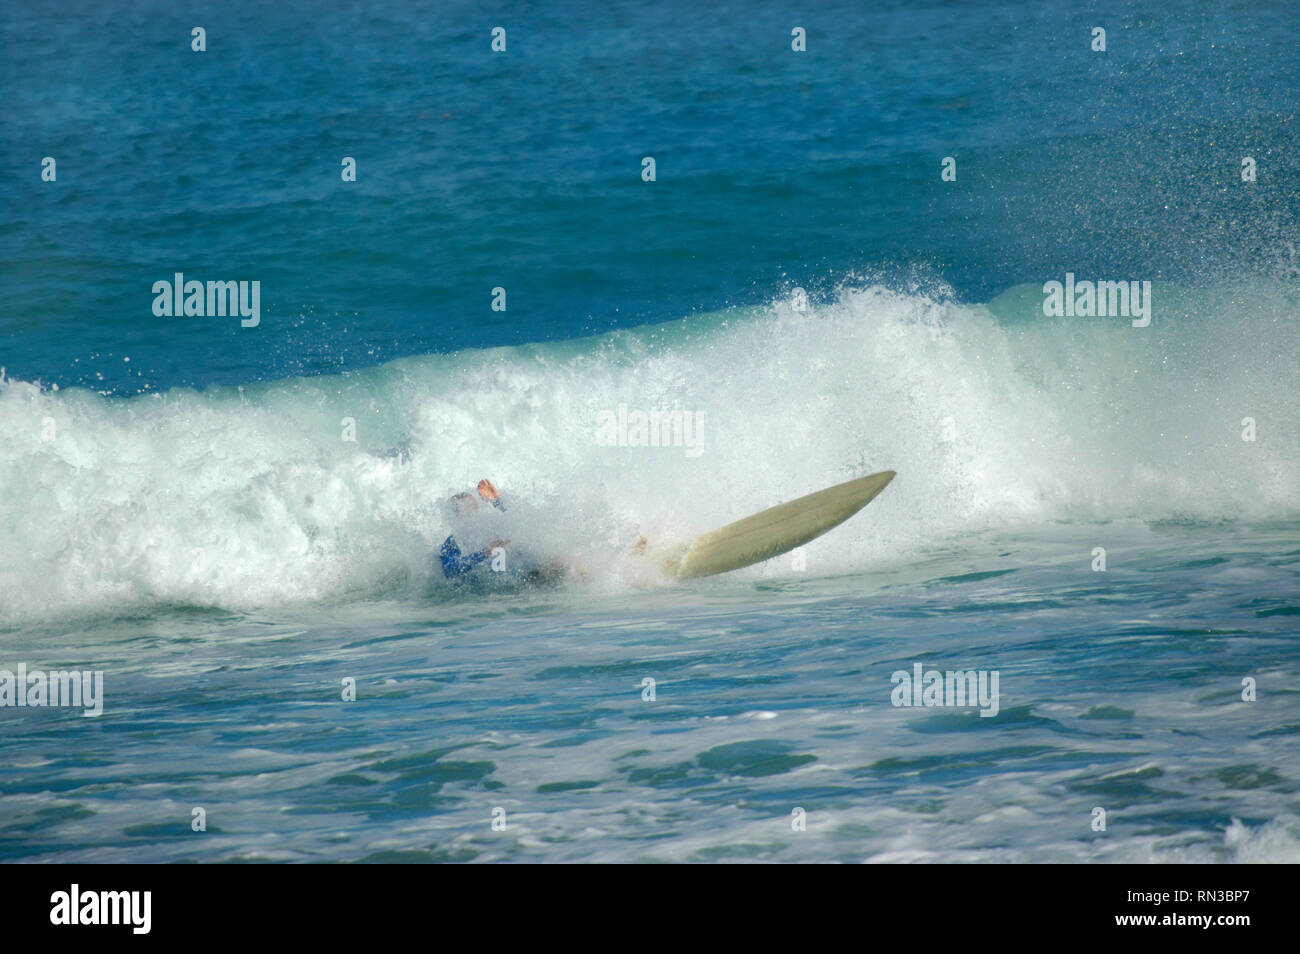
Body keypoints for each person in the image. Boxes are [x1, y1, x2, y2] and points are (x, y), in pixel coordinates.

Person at [439, 479, 511, 580]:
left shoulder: (489, 529)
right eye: (468, 509)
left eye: (474, 508)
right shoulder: (453, 542)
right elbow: (450, 570)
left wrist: (497, 501)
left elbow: (514, 523)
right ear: (457, 516)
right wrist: (484, 553)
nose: (473, 514)